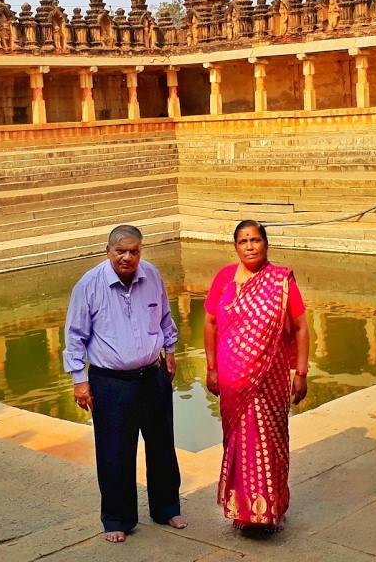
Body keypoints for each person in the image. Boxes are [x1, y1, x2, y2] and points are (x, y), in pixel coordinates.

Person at [64, 224, 188, 543]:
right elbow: (75, 336)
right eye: (120, 251)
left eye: (134, 251)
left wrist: (170, 351)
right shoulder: (89, 285)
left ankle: (166, 508)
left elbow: (165, 317)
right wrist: (79, 381)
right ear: (108, 251)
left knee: (162, 446)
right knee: (114, 452)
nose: (127, 257)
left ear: (140, 251)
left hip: (153, 375)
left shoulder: (152, 275)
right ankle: (118, 518)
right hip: (111, 382)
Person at [204, 220, 310, 532]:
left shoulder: (280, 280)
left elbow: (301, 327)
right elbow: (210, 322)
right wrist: (211, 368)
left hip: (270, 378)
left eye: (255, 240)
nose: (249, 246)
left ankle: (271, 509)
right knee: (239, 442)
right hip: (232, 377)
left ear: (265, 243)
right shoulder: (224, 278)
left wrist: (301, 373)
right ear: (235, 247)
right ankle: (242, 511)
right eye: (243, 241)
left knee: (270, 442)